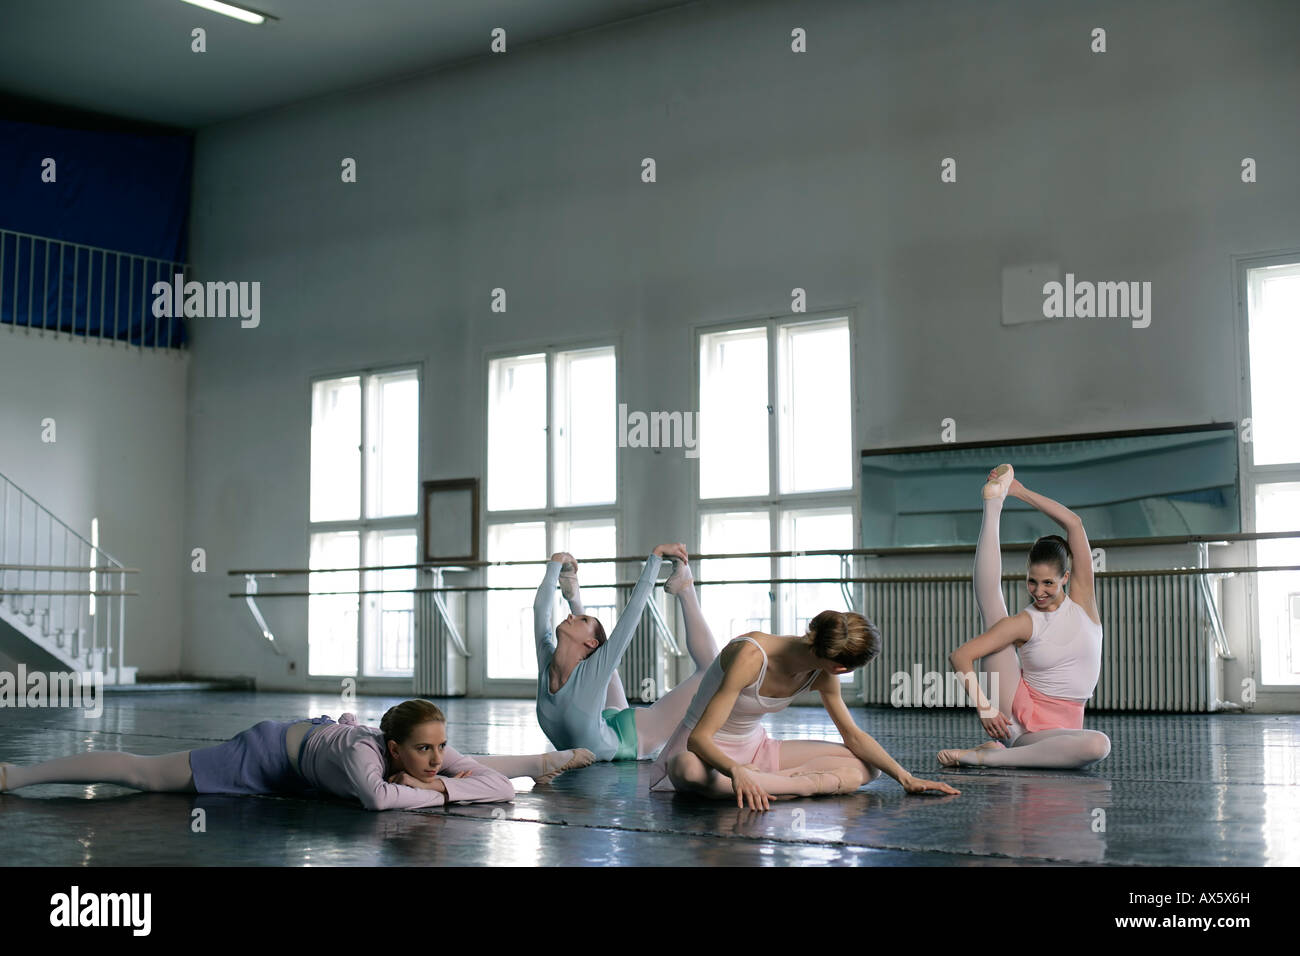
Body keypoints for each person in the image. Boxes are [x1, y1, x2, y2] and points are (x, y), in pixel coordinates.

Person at [0, 699, 592, 810]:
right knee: (146, 777)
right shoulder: (368, 755)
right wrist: (443, 791)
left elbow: (491, 783)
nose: (436, 759)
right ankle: (16, 774)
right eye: (424, 750)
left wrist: (441, 783)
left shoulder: (420, 754)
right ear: (393, 747)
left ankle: (544, 758)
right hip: (263, 754)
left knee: (476, 759)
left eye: (440, 748)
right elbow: (380, 800)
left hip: (304, 758)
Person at [650, 608, 961, 809]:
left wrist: (905, 777)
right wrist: (736, 770)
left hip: (758, 750)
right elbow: (699, 739)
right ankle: (802, 785)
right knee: (686, 769)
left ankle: (778, 784)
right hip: (704, 754)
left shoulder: (821, 672)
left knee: (870, 766)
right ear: (843, 668)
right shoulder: (750, 656)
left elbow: (852, 736)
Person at [937, 464, 1111, 769]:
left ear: (1066, 578)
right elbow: (960, 656)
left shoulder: (1083, 604)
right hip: (1023, 723)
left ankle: (998, 756)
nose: (1038, 592)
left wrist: (1019, 490)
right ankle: (992, 505)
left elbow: (1074, 524)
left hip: (1062, 730)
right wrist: (986, 708)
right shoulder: (1026, 621)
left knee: (1097, 744)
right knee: (993, 607)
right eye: (1032, 581)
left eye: (1048, 583)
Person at [536, 543, 720, 761]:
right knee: (602, 667)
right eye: (580, 617)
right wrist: (555, 564)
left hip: (632, 736)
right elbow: (540, 610)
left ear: (592, 643)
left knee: (712, 670)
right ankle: (573, 594)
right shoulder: (546, 658)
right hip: (602, 721)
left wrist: (656, 557)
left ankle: (686, 586)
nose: (569, 617)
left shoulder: (593, 668)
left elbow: (631, 615)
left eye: (580, 618)